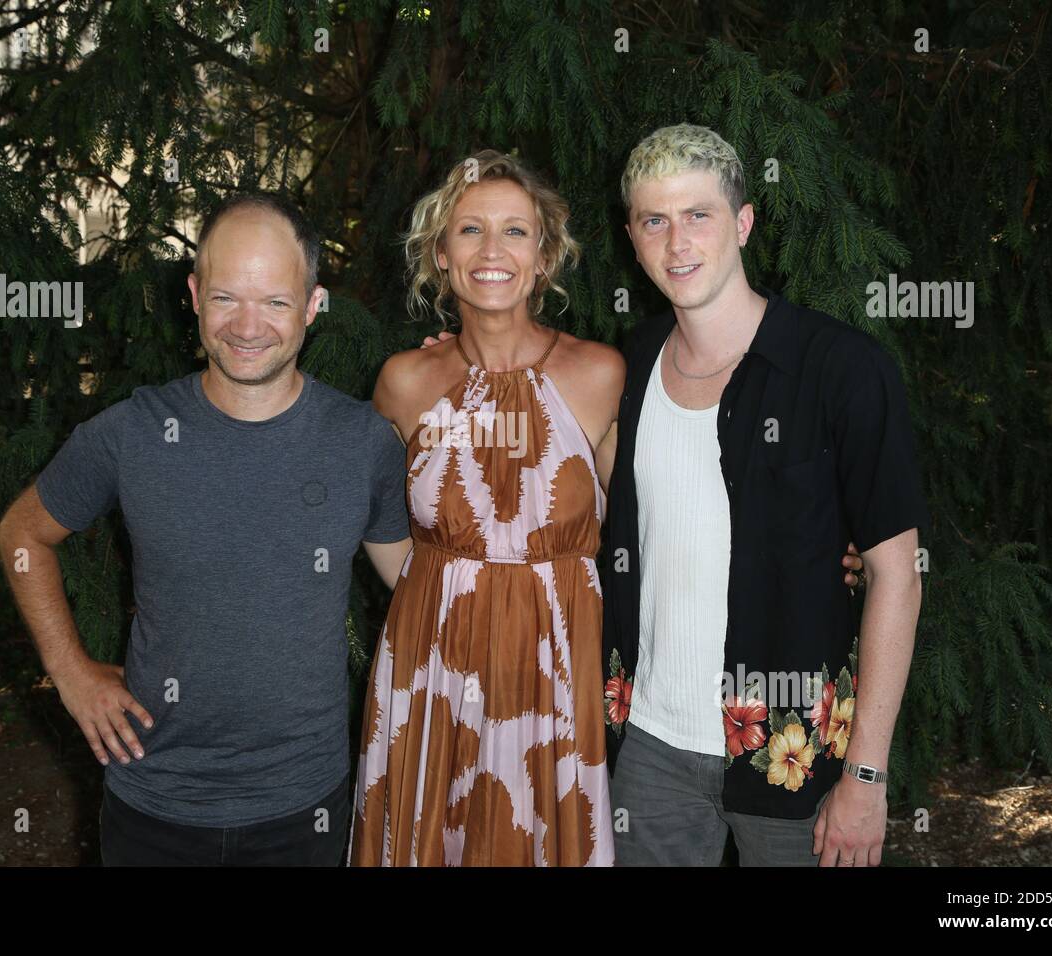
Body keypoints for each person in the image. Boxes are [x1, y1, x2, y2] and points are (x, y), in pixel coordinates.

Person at [0, 192, 414, 866]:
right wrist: (68, 669)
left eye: (276, 301)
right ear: (193, 295)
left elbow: (421, 587)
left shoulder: (361, 442)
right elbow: (22, 533)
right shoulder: (134, 431)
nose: (248, 326)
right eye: (226, 298)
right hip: (154, 799)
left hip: (304, 807)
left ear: (312, 306)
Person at [602, 124, 928, 866]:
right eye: (655, 220)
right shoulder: (627, 364)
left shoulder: (841, 369)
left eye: (699, 214)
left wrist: (866, 778)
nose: (677, 241)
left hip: (797, 756)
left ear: (743, 222)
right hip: (647, 751)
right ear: (632, 235)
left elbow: (896, 577)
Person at [348, 149, 627, 866]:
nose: (492, 250)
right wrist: (447, 593)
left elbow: (648, 522)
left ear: (545, 256)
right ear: (441, 256)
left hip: (557, 670)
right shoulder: (405, 381)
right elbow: (377, 528)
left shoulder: (600, 374)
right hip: (431, 668)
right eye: (470, 231)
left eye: (515, 231)